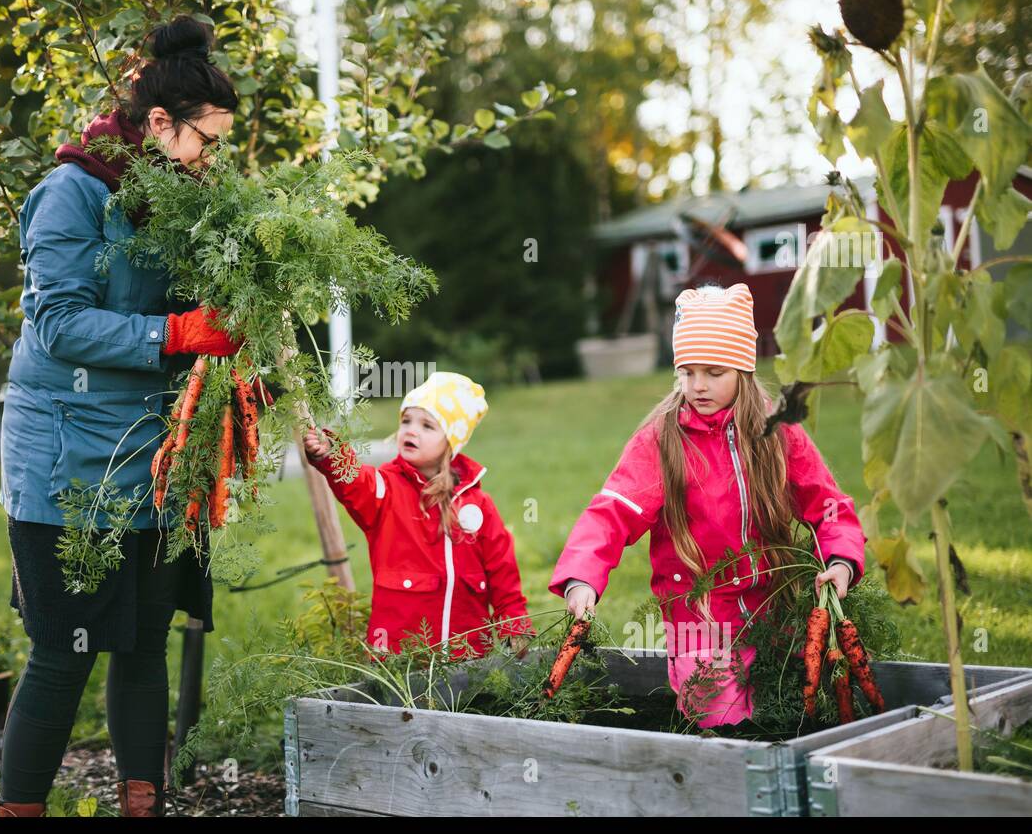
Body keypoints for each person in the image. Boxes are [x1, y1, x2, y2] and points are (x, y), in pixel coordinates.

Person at [0, 15, 241, 817]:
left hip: (150, 453)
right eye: (208, 139)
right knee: (64, 655)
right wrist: (171, 333)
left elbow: (201, 311)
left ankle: (146, 804)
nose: (215, 158)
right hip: (67, 463)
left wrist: (236, 343)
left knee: (141, 647)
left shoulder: (175, 196)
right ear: (161, 124)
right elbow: (59, 323)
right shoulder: (70, 192)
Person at [549, 283, 866, 727]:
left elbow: (826, 503)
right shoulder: (662, 442)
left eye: (713, 372)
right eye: (687, 371)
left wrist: (842, 560)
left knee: (790, 717)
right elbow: (611, 512)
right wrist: (581, 576)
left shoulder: (777, 432)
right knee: (723, 730)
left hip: (776, 613)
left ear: (742, 368)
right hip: (700, 621)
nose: (697, 386)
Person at [302, 372, 532, 658]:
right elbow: (356, 483)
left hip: (468, 659)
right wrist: (332, 457)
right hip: (401, 659)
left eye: (427, 426)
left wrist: (515, 627)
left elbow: (503, 574)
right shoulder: (386, 489)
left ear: (451, 442)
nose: (411, 431)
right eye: (406, 421)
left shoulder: (478, 505)